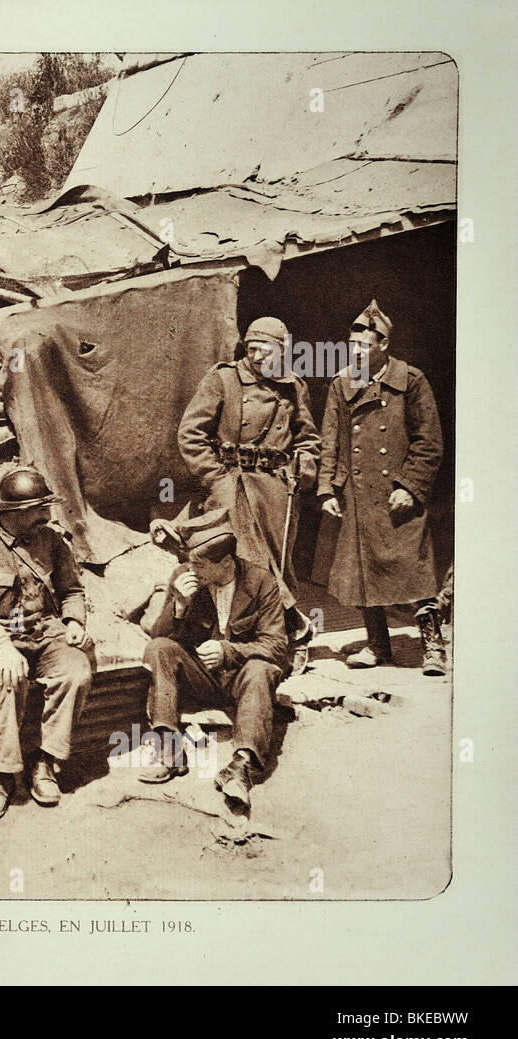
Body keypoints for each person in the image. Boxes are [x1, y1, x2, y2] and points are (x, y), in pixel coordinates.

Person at [177, 316, 321, 672]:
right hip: (231, 487)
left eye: (265, 349)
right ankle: (286, 630)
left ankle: (279, 637)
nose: (256, 356)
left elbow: (308, 438)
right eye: (251, 348)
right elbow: (190, 434)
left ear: (283, 350)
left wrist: (305, 465)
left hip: (275, 491)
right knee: (240, 562)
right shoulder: (223, 379)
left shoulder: (294, 387)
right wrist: (216, 478)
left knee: (277, 567)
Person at [0, 466, 94, 820]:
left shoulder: (52, 540)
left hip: (45, 631)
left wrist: (74, 622)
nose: (47, 516)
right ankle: (2, 776)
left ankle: (46, 763)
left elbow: (72, 590)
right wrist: (2, 646)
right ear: (14, 513)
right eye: (40, 509)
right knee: (7, 678)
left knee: (76, 671)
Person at [317, 300, 446, 674]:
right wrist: (327, 489)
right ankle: (378, 647)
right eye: (351, 344)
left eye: (363, 345)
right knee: (363, 571)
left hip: (398, 493)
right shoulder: (342, 384)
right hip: (357, 494)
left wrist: (409, 485)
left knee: (416, 570)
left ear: (384, 344)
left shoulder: (412, 381)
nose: (355, 351)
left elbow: (429, 441)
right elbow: (330, 439)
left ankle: (433, 647)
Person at [138, 511, 288, 808]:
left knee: (261, 669)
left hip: (241, 677)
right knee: (159, 648)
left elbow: (276, 646)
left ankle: (241, 766)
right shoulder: (183, 577)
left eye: (200, 564)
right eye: (190, 561)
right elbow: (159, 634)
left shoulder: (261, 581)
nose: (192, 570)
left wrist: (228, 651)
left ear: (227, 563)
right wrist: (179, 606)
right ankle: (169, 746)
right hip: (201, 676)